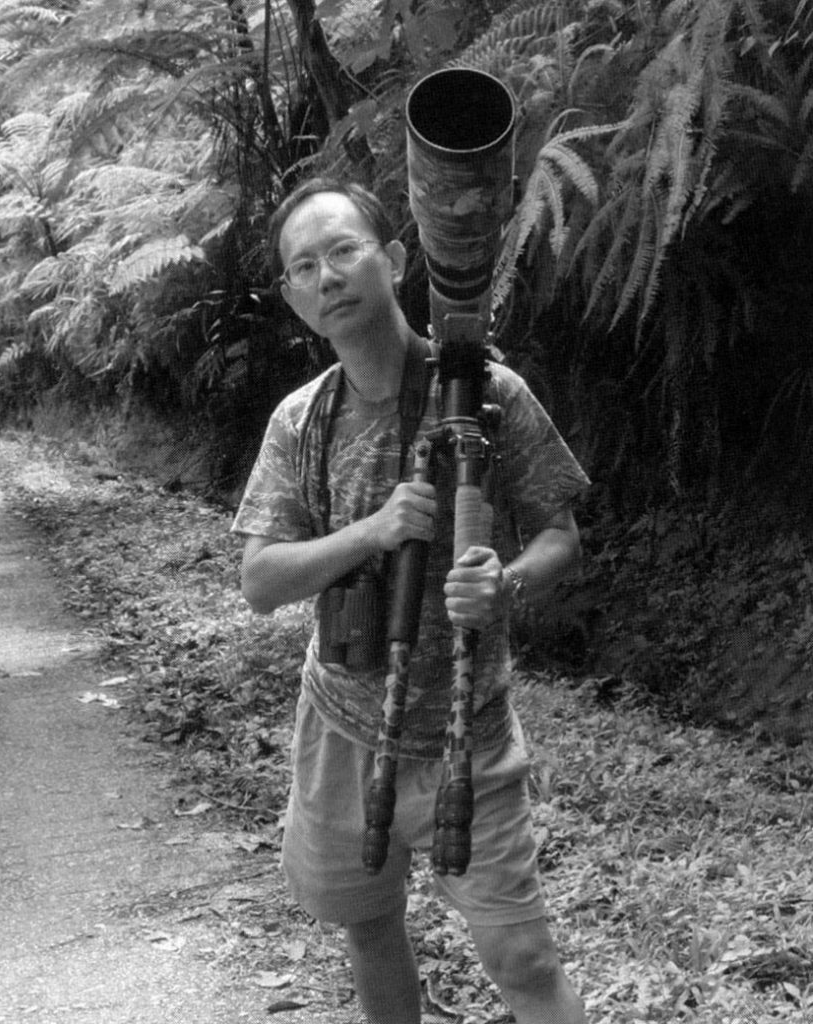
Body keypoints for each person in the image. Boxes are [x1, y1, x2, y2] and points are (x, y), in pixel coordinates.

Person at [231, 176, 590, 1024]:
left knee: (522, 956)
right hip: (342, 724)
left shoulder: (487, 392)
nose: (328, 276)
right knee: (366, 924)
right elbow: (260, 579)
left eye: (344, 250)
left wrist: (506, 582)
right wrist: (372, 531)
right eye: (304, 265)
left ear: (393, 259)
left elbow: (559, 534)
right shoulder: (299, 421)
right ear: (291, 296)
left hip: (470, 725)